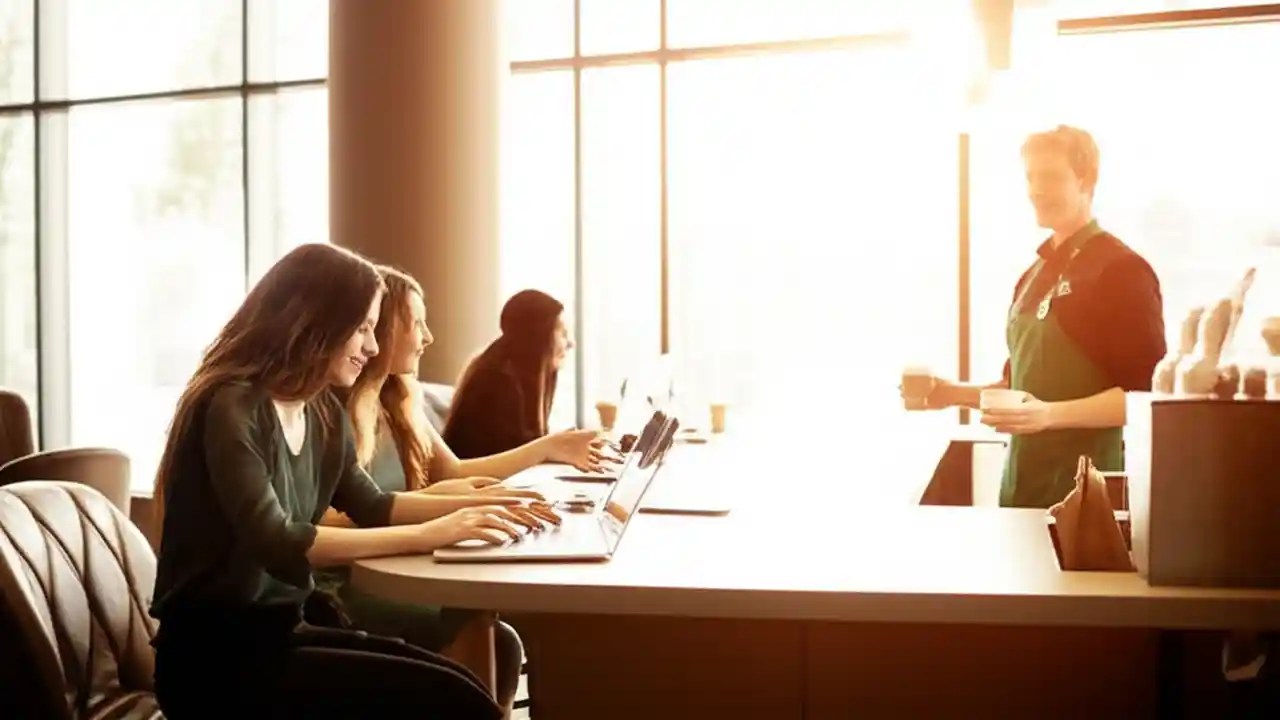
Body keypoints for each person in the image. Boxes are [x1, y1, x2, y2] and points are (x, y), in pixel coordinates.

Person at [148, 244, 559, 718]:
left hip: (283, 630)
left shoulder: (321, 410)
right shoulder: (232, 407)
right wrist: (431, 534)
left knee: (466, 690)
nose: (373, 346)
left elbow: (373, 504)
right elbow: (276, 539)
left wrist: (472, 515)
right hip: (214, 661)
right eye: (363, 327)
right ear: (316, 322)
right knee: (458, 703)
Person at [320, 267, 615, 716]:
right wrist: (443, 509)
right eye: (416, 323)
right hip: (351, 579)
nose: (428, 336)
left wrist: (548, 449)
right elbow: (326, 520)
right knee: (473, 617)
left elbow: (454, 470)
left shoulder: (397, 399)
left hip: (396, 561)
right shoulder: (336, 411)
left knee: (502, 639)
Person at [902, 125, 1166, 508]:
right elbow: (1018, 388)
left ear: (1087, 179)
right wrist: (947, 394)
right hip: (1021, 486)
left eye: (1052, 176)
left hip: (1087, 497)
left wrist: (1048, 416)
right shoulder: (1033, 276)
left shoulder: (1121, 270)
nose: (1037, 189)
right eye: (1031, 176)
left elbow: (1144, 397)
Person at [443, 289, 578, 459]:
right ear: (538, 335)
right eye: (562, 333)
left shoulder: (515, 376)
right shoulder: (497, 382)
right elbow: (512, 461)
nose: (571, 343)